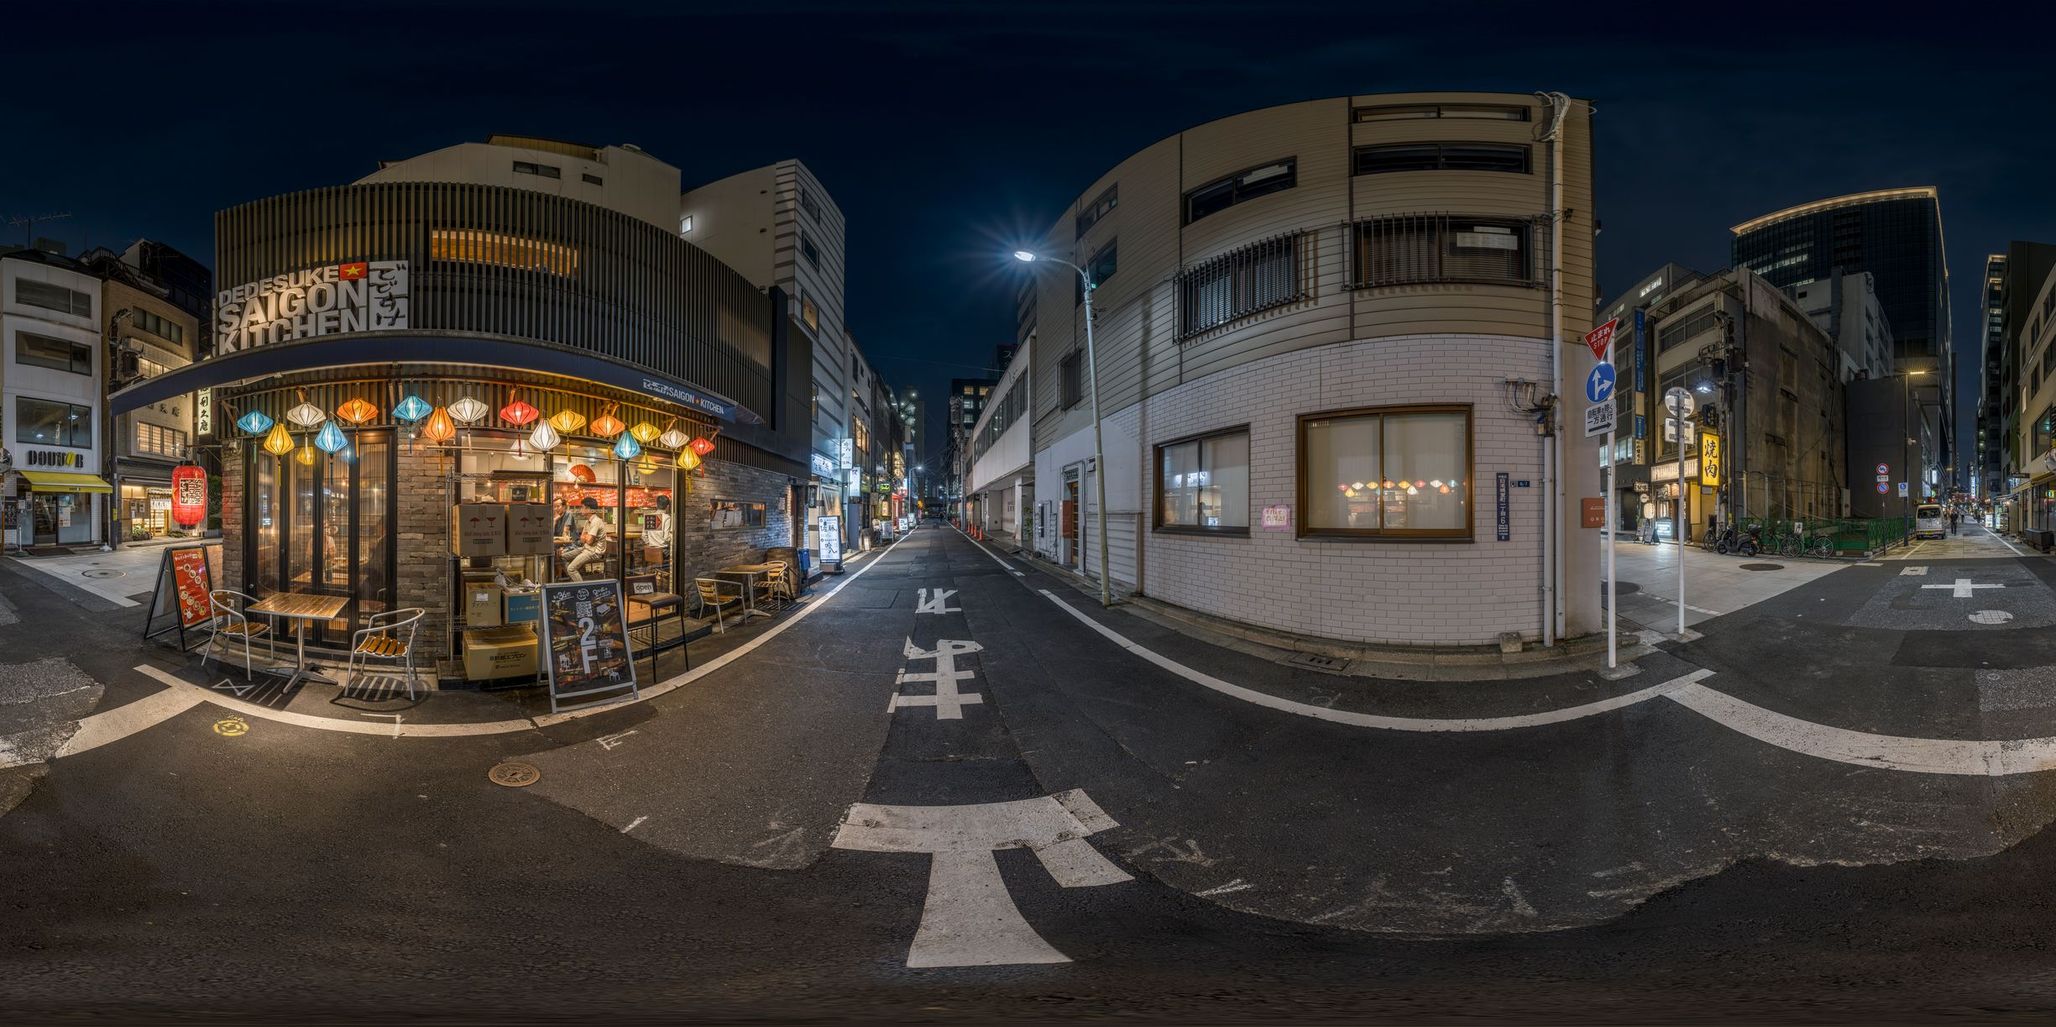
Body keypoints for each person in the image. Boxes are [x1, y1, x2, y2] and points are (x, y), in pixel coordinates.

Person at [564, 497, 610, 581]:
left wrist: (586, 537)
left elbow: (589, 541)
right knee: (563, 556)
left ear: (588, 509)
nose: (581, 509)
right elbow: (582, 539)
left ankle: (581, 589)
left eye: (582, 507)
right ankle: (575, 579)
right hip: (586, 548)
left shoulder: (596, 521)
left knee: (571, 569)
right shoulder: (587, 522)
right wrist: (586, 537)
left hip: (594, 552)